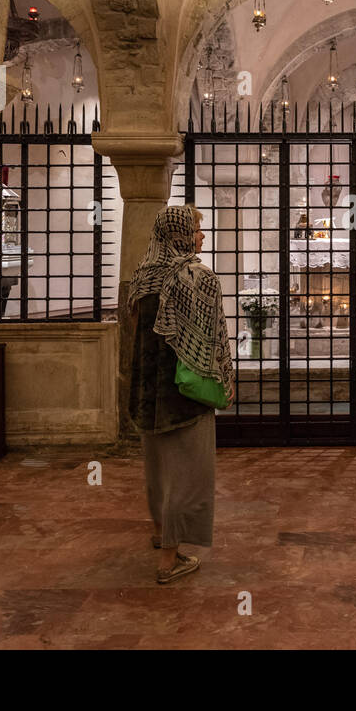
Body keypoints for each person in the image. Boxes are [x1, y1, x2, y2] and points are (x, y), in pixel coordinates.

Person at [126, 205, 234, 584]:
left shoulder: (142, 277)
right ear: (180, 236)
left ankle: (159, 532)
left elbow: (136, 331)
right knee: (188, 475)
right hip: (184, 391)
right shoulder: (198, 278)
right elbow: (211, 340)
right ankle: (169, 560)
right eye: (196, 231)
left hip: (145, 391)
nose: (201, 237)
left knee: (157, 470)